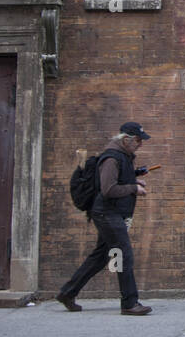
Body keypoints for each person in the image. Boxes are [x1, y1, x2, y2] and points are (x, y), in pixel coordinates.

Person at [56, 121, 153, 315]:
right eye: (138, 140)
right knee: (123, 254)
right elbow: (109, 189)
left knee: (101, 256)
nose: (141, 144)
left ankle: (68, 292)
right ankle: (129, 303)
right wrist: (134, 188)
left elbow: (115, 181)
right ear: (126, 139)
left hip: (112, 213)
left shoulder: (123, 157)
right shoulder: (112, 158)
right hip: (107, 213)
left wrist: (134, 178)